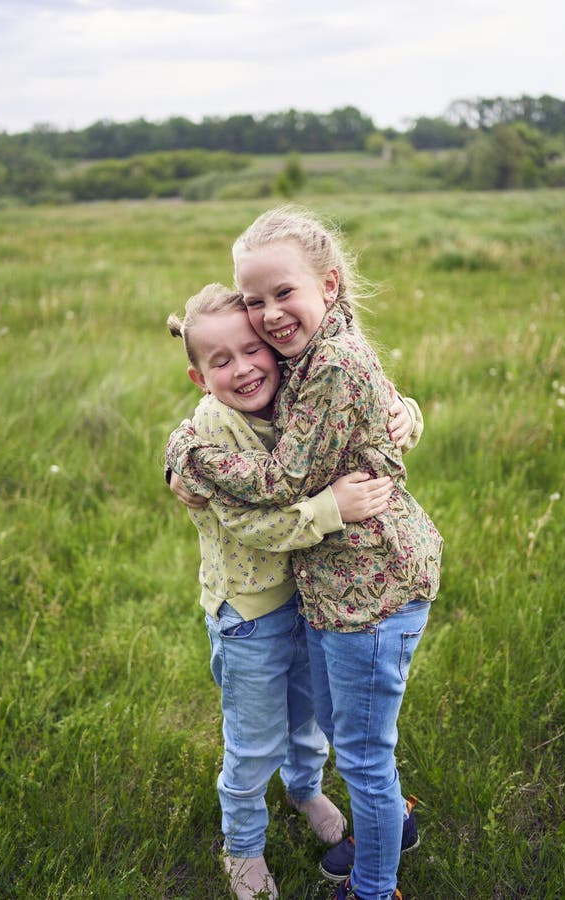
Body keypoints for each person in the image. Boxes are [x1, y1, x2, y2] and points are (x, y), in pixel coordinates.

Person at [166, 207, 443, 900]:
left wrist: (190, 458)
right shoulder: (293, 364)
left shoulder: (324, 365)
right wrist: (183, 451)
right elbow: (252, 515)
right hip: (276, 604)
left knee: (354, 745)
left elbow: (293, 473)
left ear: (328, 283)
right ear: (201, 376)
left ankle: (372, 867)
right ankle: (251, 842)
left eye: (279, 296)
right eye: (254, 303)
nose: (266, 321)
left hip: (367, 586)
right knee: (286, 729)